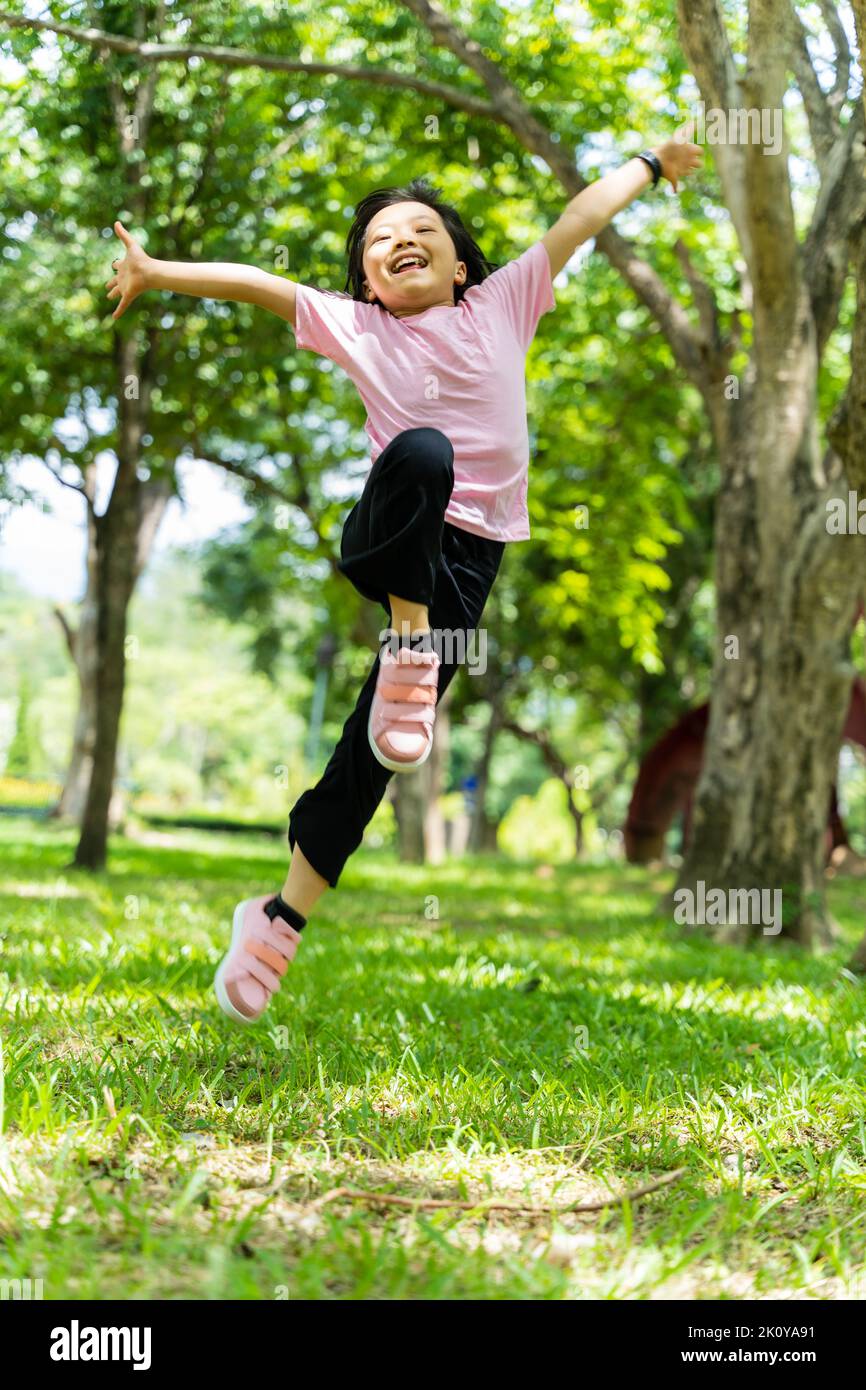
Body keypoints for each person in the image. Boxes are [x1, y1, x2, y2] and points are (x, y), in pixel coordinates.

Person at [106, 137, 702, 1024]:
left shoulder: (505, 303)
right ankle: (409, 640)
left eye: (423, 229)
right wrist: (156, 272)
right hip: (395, 529)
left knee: (374, 753)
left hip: (471, 557)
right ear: (366, 283)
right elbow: (258, 286)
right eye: (381, 240)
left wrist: (649, 165)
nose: (402, 240)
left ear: (463, 265)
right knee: (426, 452)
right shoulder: (361, 328)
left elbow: (580, 217)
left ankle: (276, 920)